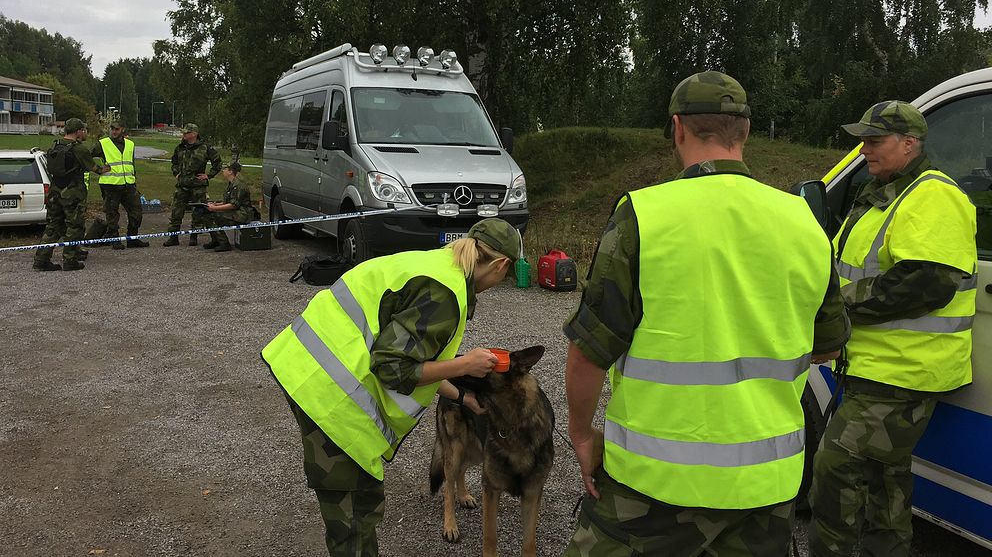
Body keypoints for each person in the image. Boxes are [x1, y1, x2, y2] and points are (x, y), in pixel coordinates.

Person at [561, 71, 851, 556]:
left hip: (652, 489)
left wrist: (580, 434)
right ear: (746, 132)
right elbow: (829, 343)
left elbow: (589, 353)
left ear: (677, 128)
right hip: (767, 489)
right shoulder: (805, 220)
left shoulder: (643, 216)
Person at [262, 218, 523, 556]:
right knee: (354, 518)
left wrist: (462, 397)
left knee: (365, 501)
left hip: (308, 366)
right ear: (501, 264)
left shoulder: (437, 264)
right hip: (328, 393)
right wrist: (464, 365)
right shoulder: (444, 293)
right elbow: (392, 368)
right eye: (506, 275)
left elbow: (407, 356)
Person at [808, 101, 977, 557]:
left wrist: (835, 306)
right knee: (884, 481)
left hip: (905, 371)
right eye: (862, 141)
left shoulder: (932, 195)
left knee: (835, 469)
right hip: (875, 365)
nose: (864, 151)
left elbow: (925, 283)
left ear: (909, 143)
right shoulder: (884, 191)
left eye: (875, 141)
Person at [33, 118, 111, 272]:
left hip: (55, 192)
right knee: (74, 226)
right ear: (78, 132)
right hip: (72, 194)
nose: (85, 133)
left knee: (53, 227)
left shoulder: (56, 145)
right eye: (84, 130)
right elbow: (95, 168)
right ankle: (70, 260)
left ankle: (41, 259)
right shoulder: (78, 149)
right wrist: (106, 169)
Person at [91, 119, 149, 249]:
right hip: (110, 185)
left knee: (136, 212)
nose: (114, 131)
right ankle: (114, 239)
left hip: (128, 185)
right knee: (112, 214)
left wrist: (134, 180)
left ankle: (132, 238)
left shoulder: (130, 144)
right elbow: (87, 157)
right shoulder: (103, 143)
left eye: (116, 129)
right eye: (112, 129)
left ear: (123, 129)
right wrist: (98, 169)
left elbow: (131, 164)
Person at [164, 123, 221, 247]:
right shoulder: (180, 148)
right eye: (184, 133)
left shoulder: (205, 147)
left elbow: (217, 162)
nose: (184, 135)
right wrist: (176, 173)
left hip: (198, 185)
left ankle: (194, 236)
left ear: (194, 134)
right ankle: (173, 237)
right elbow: (174, 162)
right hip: (182, 184)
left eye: (187, 133)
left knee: (199, 212)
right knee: (176, 211)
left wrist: (209, 175)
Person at [202, 161, 256, 252]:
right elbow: (227, 202)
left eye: (225, 169)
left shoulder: (239, 185)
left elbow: (233, 205)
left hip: (242, 214)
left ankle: (224, 243)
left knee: (214, 217)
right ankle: (216, 240)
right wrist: (215, 204)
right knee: (207, 214)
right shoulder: (231, 184)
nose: (223, 171)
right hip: (236, 211)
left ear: (231, 171)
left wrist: (214, 208)